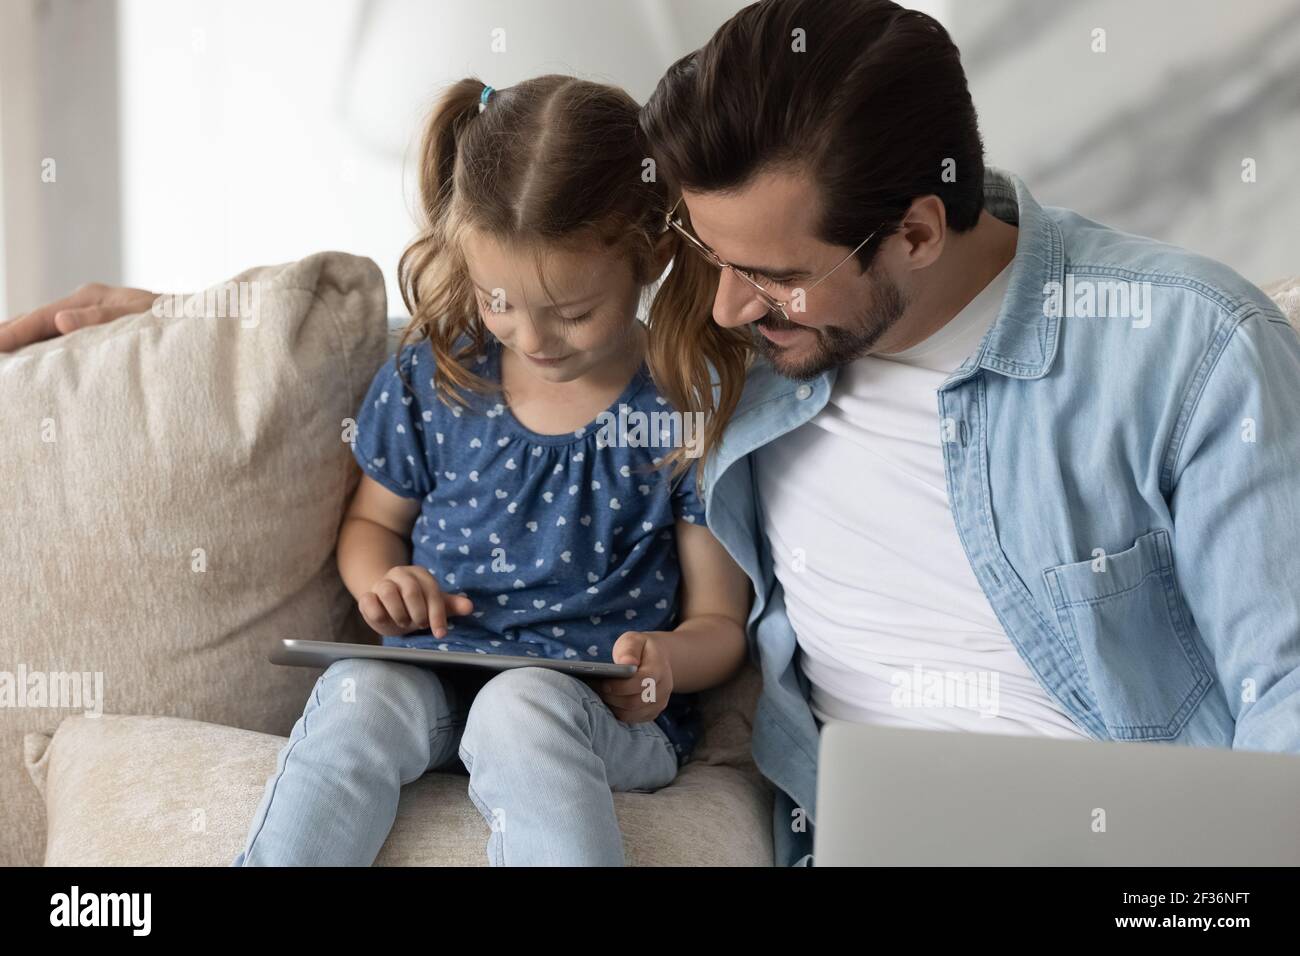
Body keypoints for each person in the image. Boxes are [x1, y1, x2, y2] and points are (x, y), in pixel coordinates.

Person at [639, 0, 1300, 866]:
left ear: (915, 233)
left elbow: (1285, 689)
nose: (728, 307)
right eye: (711, 256)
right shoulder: (741, 356)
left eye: (775, 277)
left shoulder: (1194, 351)